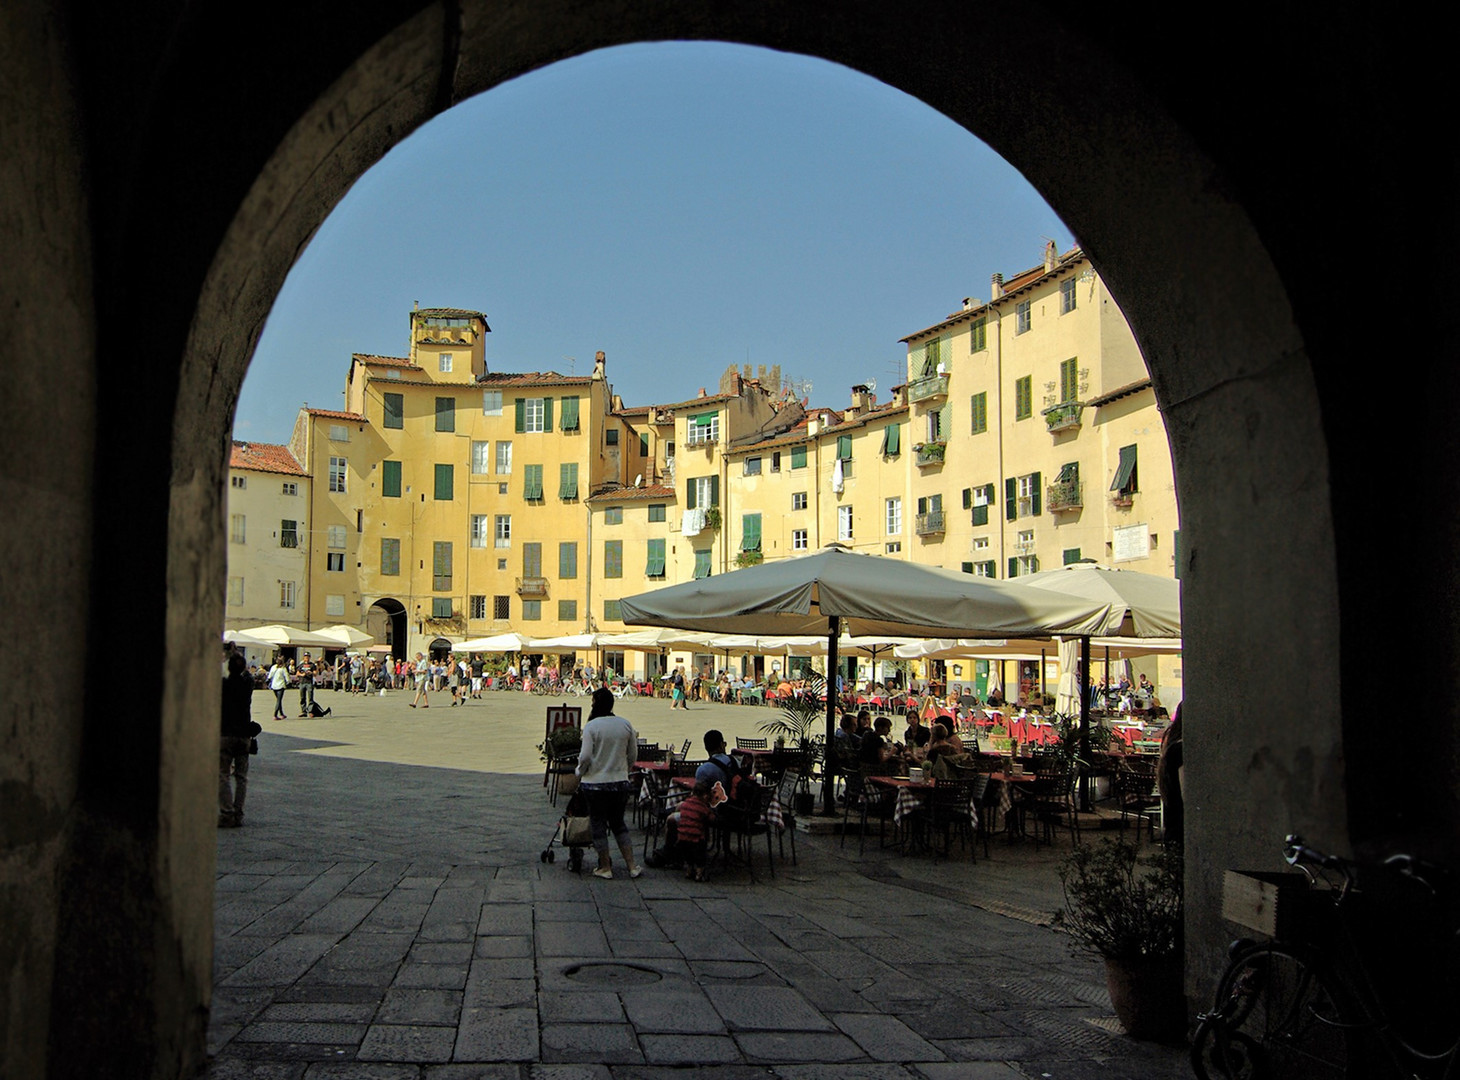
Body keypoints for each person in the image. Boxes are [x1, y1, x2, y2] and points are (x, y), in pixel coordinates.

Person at [574, 687, 643, 879]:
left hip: (595, 784)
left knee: (598, 823)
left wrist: (580, 771)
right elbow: (633, 755)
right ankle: (632, 865)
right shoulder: (625, 724)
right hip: (620, 782)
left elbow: (585, 756)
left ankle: (605, 866)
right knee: (618, 823)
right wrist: (624, 770)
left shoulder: (591, 726)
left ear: (595, 704)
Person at [219, 652, 260, 828]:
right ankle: (238, 812)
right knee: (242, 777)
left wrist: (225, 656)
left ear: (229, 668)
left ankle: (227, 813)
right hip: (244, 735)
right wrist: (233, 654)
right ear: (244, 667)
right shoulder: (247, 684)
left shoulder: (224, 685)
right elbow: (249, 676)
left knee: (223, 775)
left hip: (226, 733)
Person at [674, 780, 713, 881]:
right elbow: (711, 818)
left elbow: (679, 809)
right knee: (700, 854)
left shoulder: (685, 803)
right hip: (695, 838)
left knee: (688, 855)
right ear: (705, 796)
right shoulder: (702, 807)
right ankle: (699, 873)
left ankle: (689, 870)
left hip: (681, 836)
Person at [1156, 702, 1184, 847]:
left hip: (1174, 829)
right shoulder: (1181, 751)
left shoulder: (1173, 746)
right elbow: (1185, 797)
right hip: (1181, 831)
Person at [266, 654, 289, 719]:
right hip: (281, 686)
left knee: (278, 700)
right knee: (279, 700)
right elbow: (287, 677)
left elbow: (269, 676)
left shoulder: (273, 667)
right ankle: (275, 715)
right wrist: (288, 682)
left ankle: (281, 713)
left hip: (274, 686)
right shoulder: (283, 668)